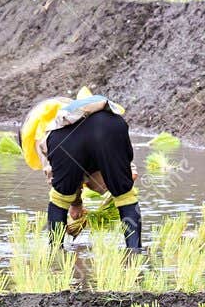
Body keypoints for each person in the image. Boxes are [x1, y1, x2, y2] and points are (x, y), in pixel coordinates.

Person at [21, 89, 141, 251]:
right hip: (111, 127)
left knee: (60, 197)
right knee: (125, 195)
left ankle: (56, 252)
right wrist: (125, 173)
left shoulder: (44, 133)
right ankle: (134, 252)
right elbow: (106, 155)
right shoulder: (84, 110)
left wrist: (74, 203)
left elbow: (56, 176)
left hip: (65, 140)